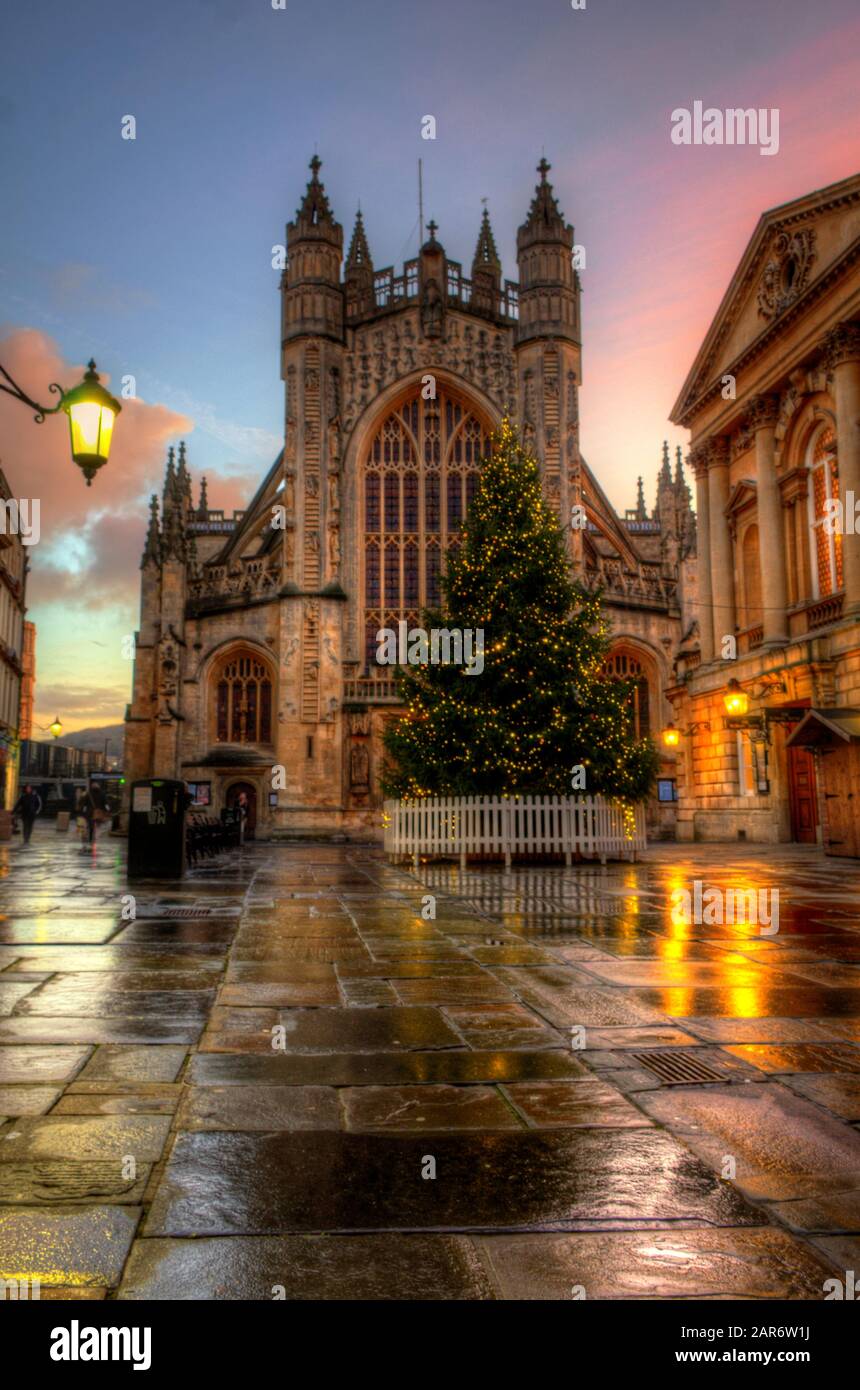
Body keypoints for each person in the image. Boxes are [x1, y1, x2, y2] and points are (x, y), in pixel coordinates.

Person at [78, 780, 108, 845]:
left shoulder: (88, 793)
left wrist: (83, 812)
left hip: (89, 813)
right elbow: (106, 804)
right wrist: (108, 810)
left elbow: (84, 804)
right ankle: (93, 837)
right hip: (98, 813)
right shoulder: (102, 794)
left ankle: (89, 836)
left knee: (89, 825)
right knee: (97, 825)